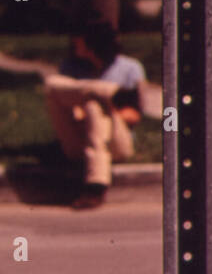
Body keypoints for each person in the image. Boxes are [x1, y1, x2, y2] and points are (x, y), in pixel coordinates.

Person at [44, 20, 146, 209]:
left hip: (115, 142)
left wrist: (107, 111)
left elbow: (134, 116)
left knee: (94, 106)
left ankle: (96, 185)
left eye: (79, 41)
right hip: (79, 136)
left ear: (93, 44)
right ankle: (106, 91)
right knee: (52, 84)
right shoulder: (70, 68)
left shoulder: (130, 68)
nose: (74, 44)